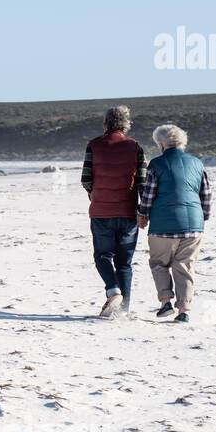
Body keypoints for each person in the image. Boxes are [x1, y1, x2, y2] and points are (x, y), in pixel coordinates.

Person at [137, 124, 212, 323]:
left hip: (163, 225)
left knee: (159, 263)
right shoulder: (197, 163)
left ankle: (165, 302)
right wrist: (202, 218)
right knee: (185, 266)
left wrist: (142, 215)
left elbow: (148, 195)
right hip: (194, 226)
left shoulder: (156, 164)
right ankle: (184, 310)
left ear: (162, 143)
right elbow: (206, 195)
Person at [81, 105, 146, 317]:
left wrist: (95, 194)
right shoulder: (135, 147)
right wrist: (142, 209)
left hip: (101, 212)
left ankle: (113, 290)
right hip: (128, 212)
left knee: (102, 256)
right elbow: (142, 183)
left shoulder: (94, 145)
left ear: (106, 123)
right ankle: (123, 310)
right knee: (124, 263)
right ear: (126, 124)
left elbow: (86, 179)